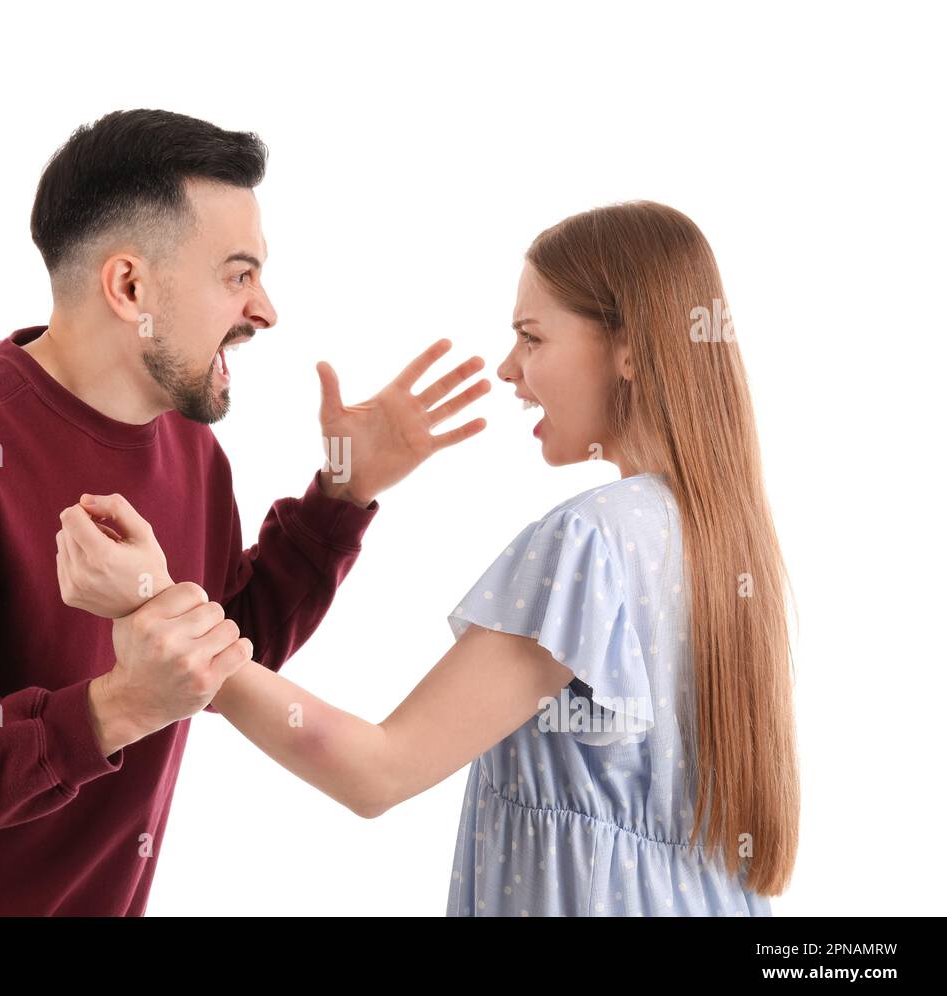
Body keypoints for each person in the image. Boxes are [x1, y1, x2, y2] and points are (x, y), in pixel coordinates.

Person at [0, 108, 489, 916]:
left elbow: (218, 647)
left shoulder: (188, 445)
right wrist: (117, 706)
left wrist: (343, 491)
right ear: (130, 287)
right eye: (237, 276)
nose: (265, 310)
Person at [58, 200, 800, 916]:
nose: (508, 369)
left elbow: (378, 770)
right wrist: (344, 490)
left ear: (629, 348)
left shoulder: (590, 542)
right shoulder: (717, 534)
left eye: (532, 338)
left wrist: (156, 608)